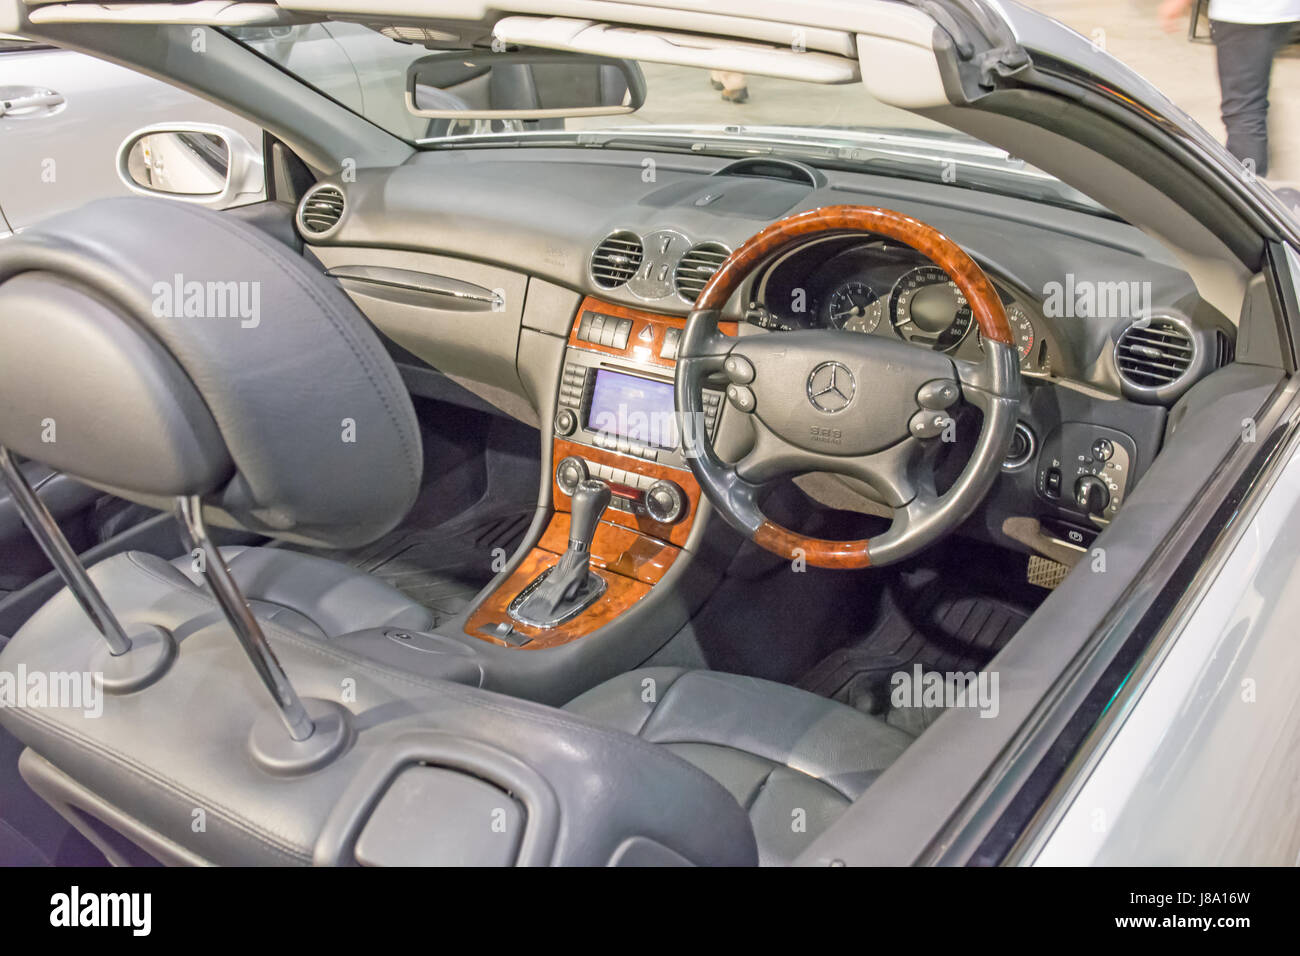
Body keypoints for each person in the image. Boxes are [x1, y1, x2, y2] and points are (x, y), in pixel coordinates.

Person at [1159, 0, 1300, 177]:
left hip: (1245, 15)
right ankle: (1257, 179)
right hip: (1278, 12)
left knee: (1244, 113)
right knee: (1252, 101)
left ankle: (1248, 193)